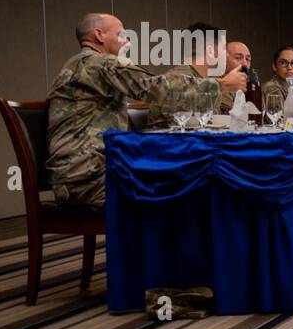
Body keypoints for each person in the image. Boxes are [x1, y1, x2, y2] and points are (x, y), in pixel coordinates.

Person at [45, 13, 238, 207]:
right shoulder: (100, 63)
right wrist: (220, 85)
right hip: (90, 180)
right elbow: (156, 89)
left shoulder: (76, 64)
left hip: (76, 176)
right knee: (185, 188)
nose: (128, 42)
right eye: (122, 34)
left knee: (180, 181)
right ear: (99, 35)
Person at [264, 46, 293, 114]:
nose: (289, 67)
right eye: (283, 63)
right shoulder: (271, 87)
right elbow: (279, 117)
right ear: (274, 66)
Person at [221, 40, 252, 113]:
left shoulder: (250, 87)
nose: (245, 64)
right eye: (238, 58)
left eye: (248, 59)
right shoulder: (217, 85)